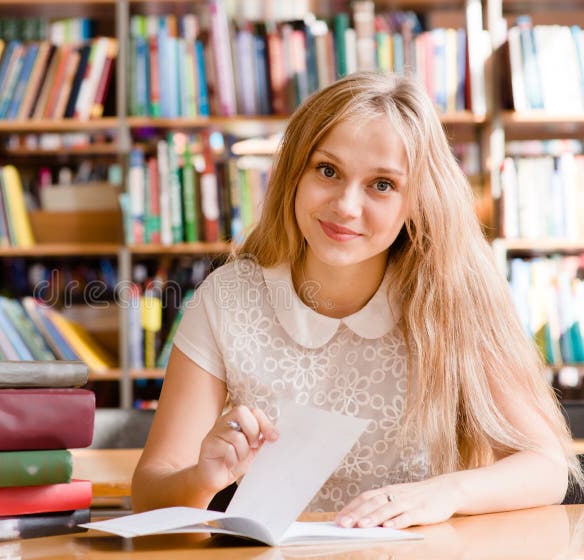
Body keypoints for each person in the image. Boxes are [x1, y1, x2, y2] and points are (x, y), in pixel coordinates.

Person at [131, 71, 583, 530]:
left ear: (418, 201)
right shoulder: (226, 297)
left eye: (382, 184)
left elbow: (547, 466)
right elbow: (149, 493)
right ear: (294, 175)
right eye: (327, 170)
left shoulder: (456, 292)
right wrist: (204, 479)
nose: (346, 205)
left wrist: (446, 493)